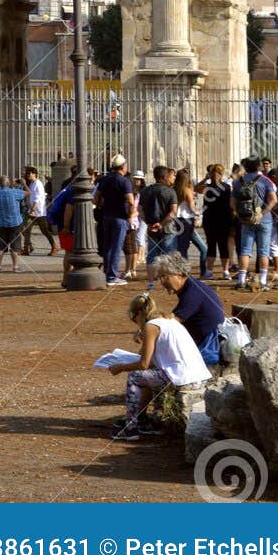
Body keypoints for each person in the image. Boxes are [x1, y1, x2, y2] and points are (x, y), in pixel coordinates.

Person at [108, 289, 211, 441]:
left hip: (182, 377)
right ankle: (146, 421)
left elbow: (144, 364)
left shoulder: (151, 326)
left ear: (138, 314)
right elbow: (153, 361)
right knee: (149, 377)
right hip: (199, 375)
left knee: (135, 377)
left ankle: (130, 428)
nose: (134, 322)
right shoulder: (168, 321)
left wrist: (121, 366)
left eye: (133, 317)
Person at [152, 255, 225, 365]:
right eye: (160, 278)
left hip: (207, 348)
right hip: (204, 342)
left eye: (164, 277)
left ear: (179, 274)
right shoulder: (191, 286)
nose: (162, 282)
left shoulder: (192, 292)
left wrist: (146, 330)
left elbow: (171, 322)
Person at [232, 154, 277, 288]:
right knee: (263, 251)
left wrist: (239, 216)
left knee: (245, 250)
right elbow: (274, 200)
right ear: (259, 166)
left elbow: (232, 203)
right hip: (264, 220)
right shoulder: (265, 180)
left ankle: (241, 279)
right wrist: (262, 213)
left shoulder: (238, 182)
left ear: (245, 166)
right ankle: (262, 281)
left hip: (246, 219)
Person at [95, 153, 135, 285]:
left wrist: (102, 206)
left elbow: (96, 198)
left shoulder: (105, 179)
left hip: (107, 216)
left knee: (108, 247)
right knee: (117, 247)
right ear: (123, 166)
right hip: (120, 217)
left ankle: (107, 273)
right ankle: (112, 277)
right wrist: (130, 215)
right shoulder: (124, 181)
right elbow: (130, 201)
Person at [138, 165, 177, 281]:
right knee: (168, 254)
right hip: (167, 227)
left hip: (151, 227)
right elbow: (173, 212)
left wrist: (148, 222)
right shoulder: (170, 192)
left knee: (152, 254)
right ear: (164, 177)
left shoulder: (145, 191)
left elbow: (139, 210)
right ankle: (167, 278)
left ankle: (151, 279)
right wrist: (161, 223)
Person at [197, 164, 235, 280]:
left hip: (222, 219)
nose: (215, 175)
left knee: (223, 246)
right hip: (210, 220)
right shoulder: (207, 186)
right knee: (211, 245)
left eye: (218, 173)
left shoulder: (226, 187)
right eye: (214, 173)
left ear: (221, 174)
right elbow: (195, 188)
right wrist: (205, 178)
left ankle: (225, 270)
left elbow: (230, 206)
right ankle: (209, 271)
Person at [168, 168, 208, 277]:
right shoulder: (186, 190)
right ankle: (198, 272)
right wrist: (199, 213)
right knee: (197, 248)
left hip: (178, 221)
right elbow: (192, 207)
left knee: (182, 248)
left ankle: (184, 271)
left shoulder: (173, 189)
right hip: (187, 221)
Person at [21, 166, 58, 256]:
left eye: (29, 173)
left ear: (34, 174)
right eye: (27, 174)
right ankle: (26, 248)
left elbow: (37, 198)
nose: (28, 175)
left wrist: (33, 209)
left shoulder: (38, 184)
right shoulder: (32, 184)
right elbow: (30, 195)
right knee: (25, 229)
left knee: (44, 230)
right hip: (32, 211)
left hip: (38, 212)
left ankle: (54, 246)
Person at [0, 174, 25, 273]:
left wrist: (10, 184)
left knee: (1, 245)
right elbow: (28, 193)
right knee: (15, 245)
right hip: (15, 222)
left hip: (2, 222)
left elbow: (2, 188)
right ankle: (15, 266)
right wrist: (23, 184)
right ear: (8, 183)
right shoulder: (14, 192)